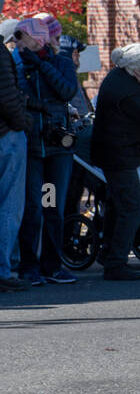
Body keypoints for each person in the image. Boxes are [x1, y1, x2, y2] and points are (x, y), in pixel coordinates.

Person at [91, 44, 140, 281]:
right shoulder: (131, 92)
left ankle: (109, 254)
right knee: (132, 208)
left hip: (112, 152)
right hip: (120, 154)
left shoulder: (116, 76)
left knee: (117, 204)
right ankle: (116, 263)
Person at [12, 18, 79, 286]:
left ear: (37, 38)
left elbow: (66, 91)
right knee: (32, 208)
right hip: (31, 148)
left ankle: (52, 265)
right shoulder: (14, 64)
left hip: (56, 150)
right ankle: (29, 265)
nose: (17, 42)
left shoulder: (60, 62)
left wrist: (40, 64)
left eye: (22, 36)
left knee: (52, 206)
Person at [0, 40, 29, 291]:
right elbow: (7, 96)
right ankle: (4, 269)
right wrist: (23, 122)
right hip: (5, 135)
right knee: (9, 204)